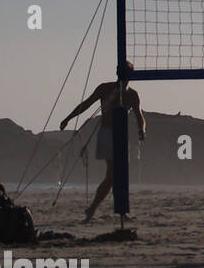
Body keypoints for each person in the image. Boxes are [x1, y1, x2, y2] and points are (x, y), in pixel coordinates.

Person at [59, 62, 146, 222]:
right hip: (107, 134)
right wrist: (68, 119)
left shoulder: (132, 95)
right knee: (114, 174)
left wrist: (142, 130)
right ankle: (98, 209)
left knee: (115, 175)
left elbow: (139, 116)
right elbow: (85, 104)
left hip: (121, 137)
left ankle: (110, 210)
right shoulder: (105, 88)